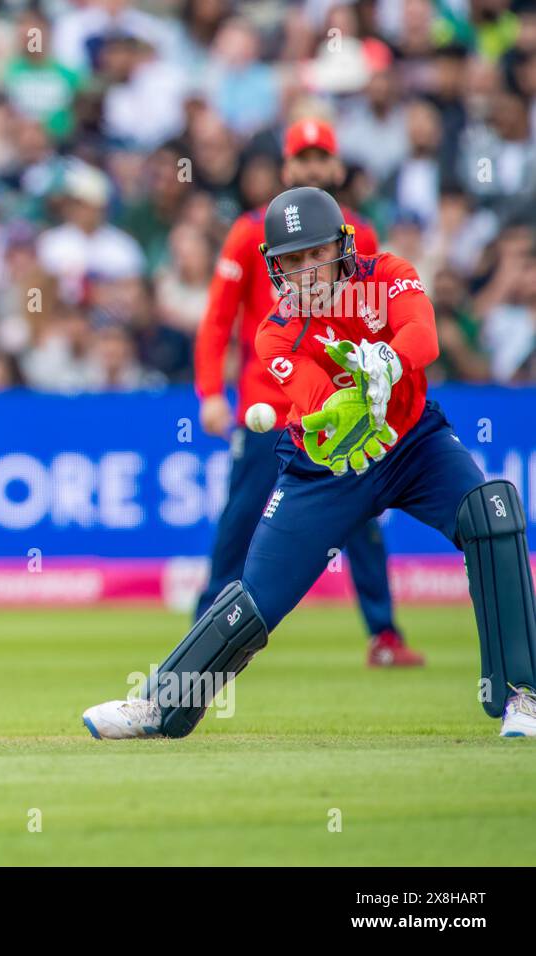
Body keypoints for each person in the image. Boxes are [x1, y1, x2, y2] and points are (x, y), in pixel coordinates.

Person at [84, 186, 536, 740]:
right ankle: (159, 705)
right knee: (254, 598)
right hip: (327, 467)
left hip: (415, 444)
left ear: (342, 248)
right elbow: (317, 396)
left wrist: (387, 360)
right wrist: (351, 403)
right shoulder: (276, 331)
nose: (305, 273)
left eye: (315, 255)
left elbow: (424, 336)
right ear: (274, 269)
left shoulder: (389, 273)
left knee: (491, 515)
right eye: (290, 262)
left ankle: (522, 694)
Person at [193, 117, 422, 667]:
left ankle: (383, 636)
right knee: (241, 521)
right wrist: (208, 392)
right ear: (287, 168)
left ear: (337, 167)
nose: (314, 167)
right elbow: (218, 320)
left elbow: (375, 324)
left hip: (341, 406)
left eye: (323, 157)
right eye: (304, 158)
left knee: (363, 519)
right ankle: (202, 640)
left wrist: (375, 388)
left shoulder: (360, 236)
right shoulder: (251, 234)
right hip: (268, 403)